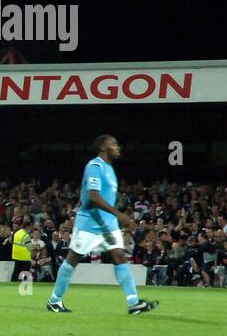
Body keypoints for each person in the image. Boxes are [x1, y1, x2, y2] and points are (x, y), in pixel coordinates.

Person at [48, 135, 157, 315]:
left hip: (108, 224)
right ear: (103, 148)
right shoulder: (95, 166)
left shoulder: (109, 169)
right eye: (113, 144)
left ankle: (134, 303)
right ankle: (55, 300)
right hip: (89, 222)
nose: (118, 147)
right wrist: (119, 214)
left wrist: (114, 217)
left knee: (119, 257)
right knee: (72, 260)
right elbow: (93, 197)